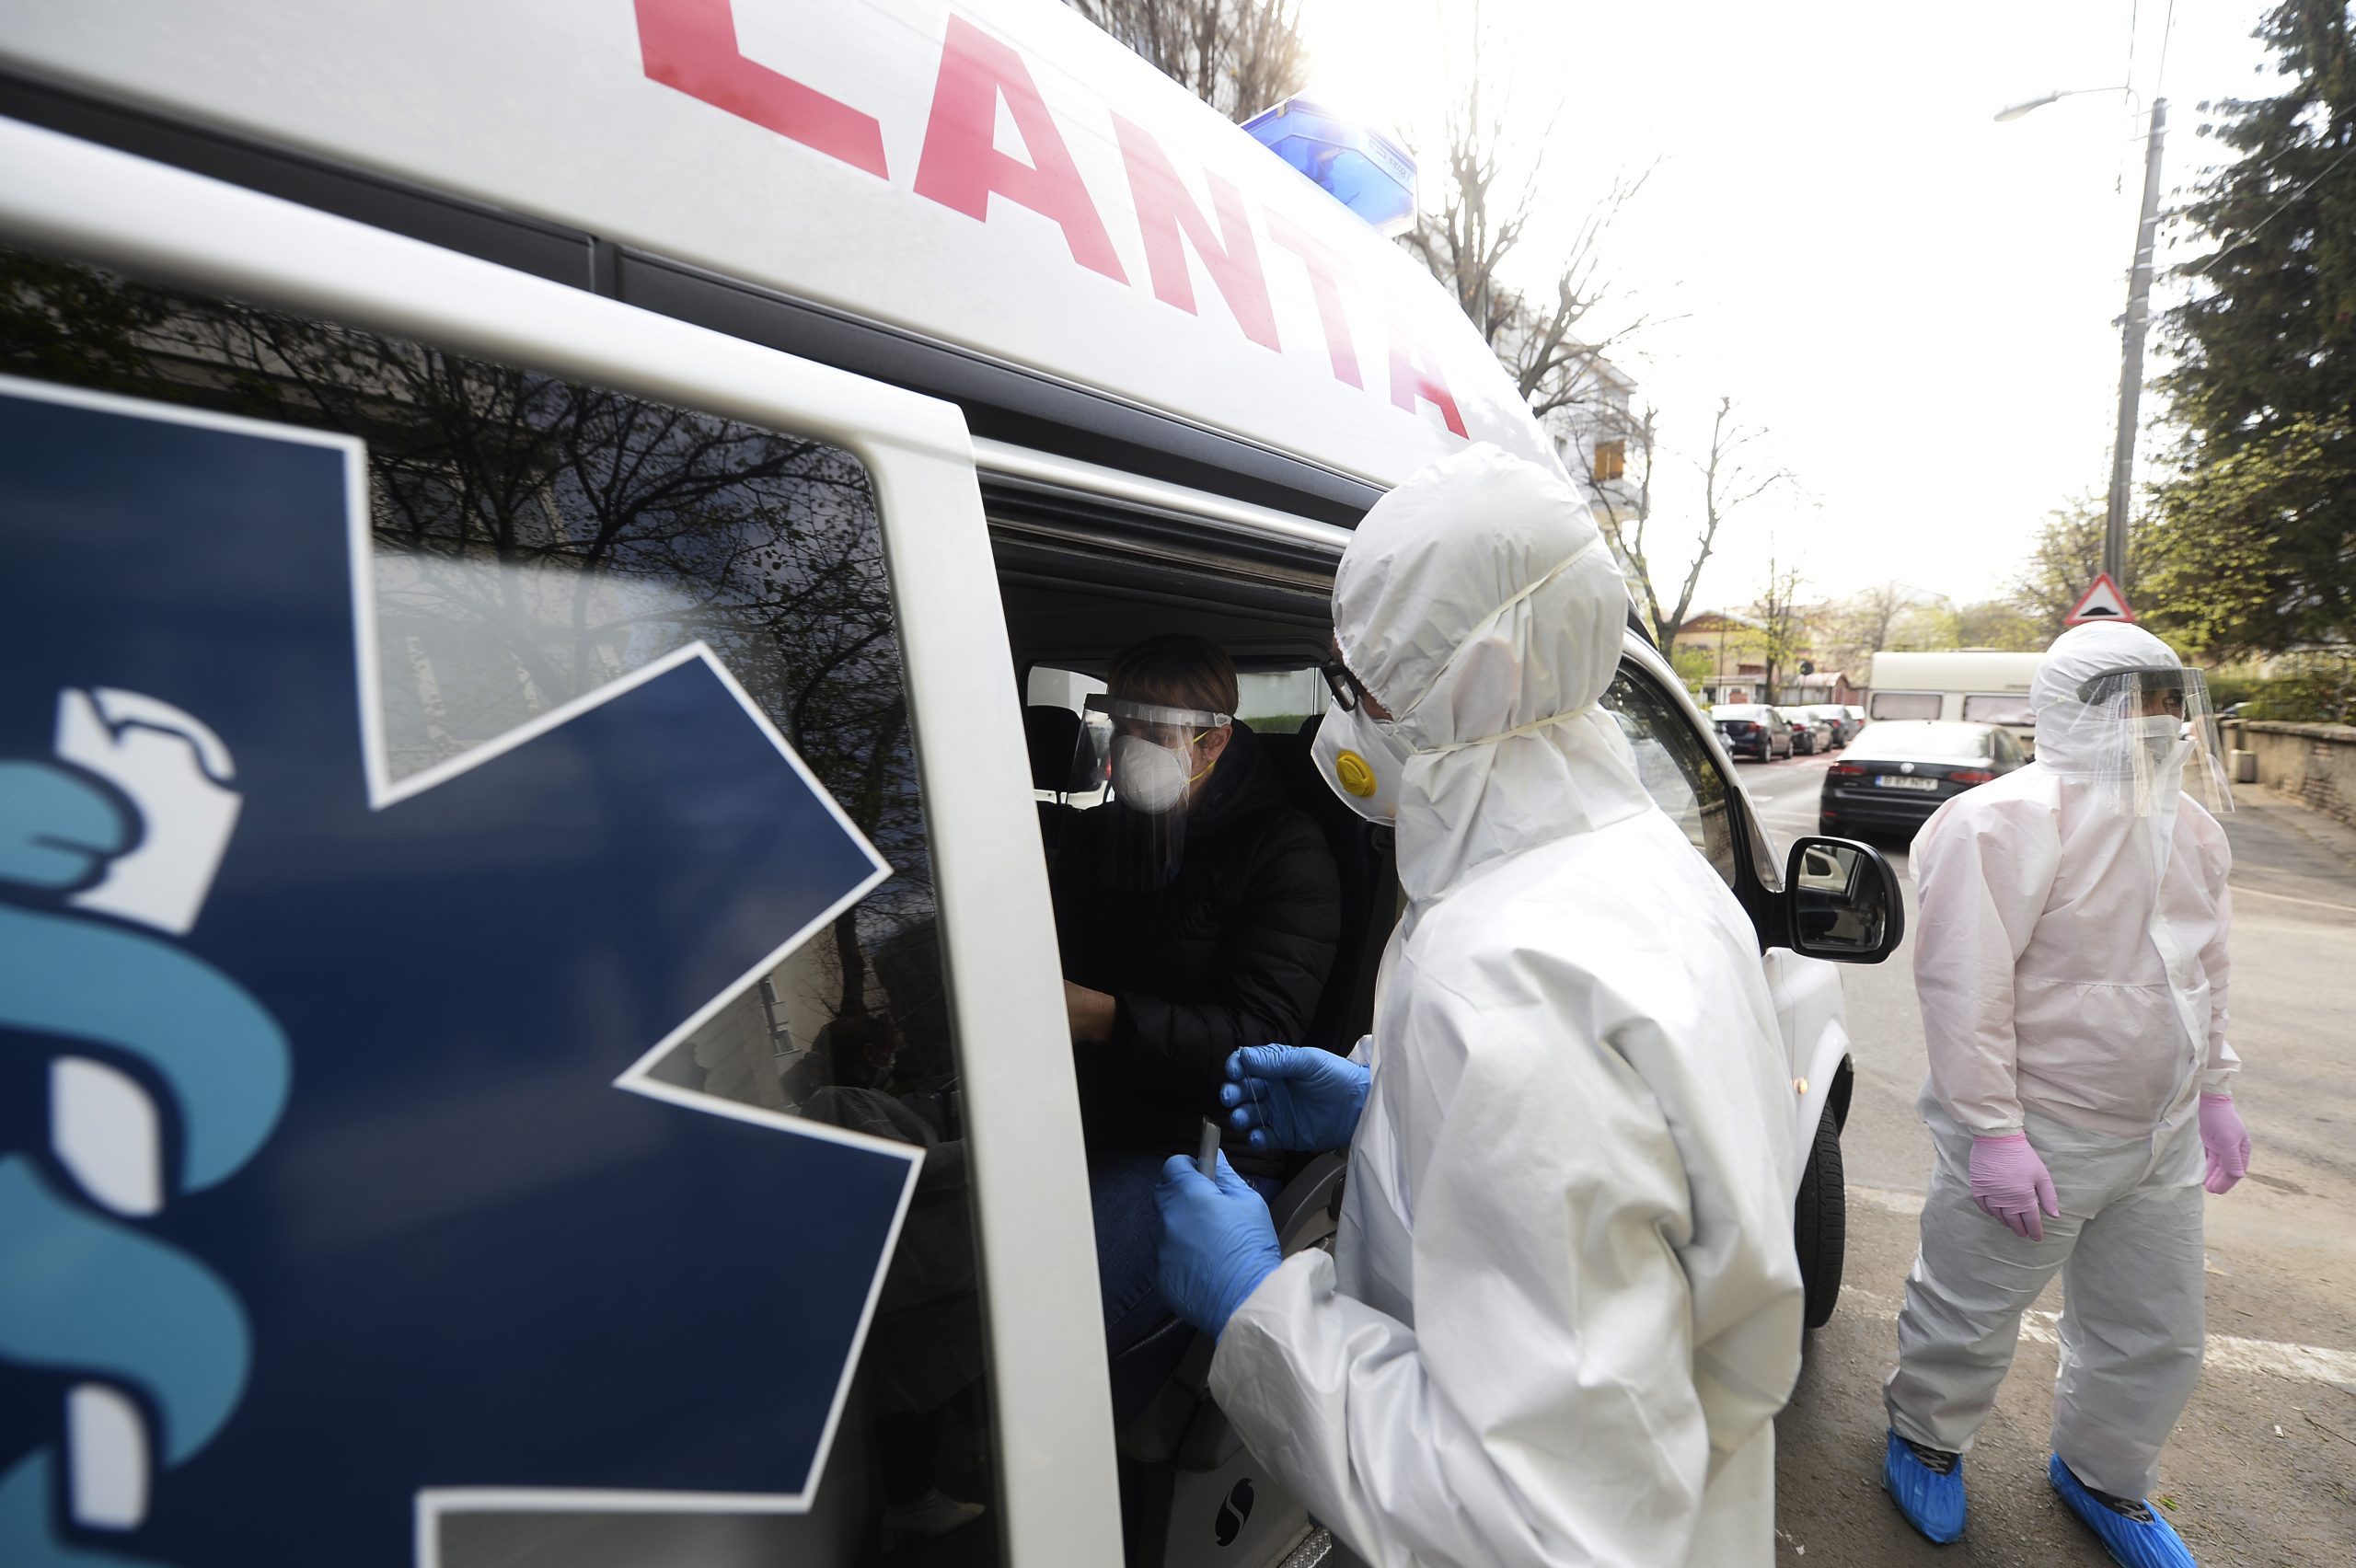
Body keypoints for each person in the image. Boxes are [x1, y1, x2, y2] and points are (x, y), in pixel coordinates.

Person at [1150, 445, 1804, 1566]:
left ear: (1488, 678)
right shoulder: (1627, 866)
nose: (1345, 723)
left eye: (1363, 688)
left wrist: (1260, 1307)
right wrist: (1387, 1109)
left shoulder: (1509, 983)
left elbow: (1539, 1527)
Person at [1881, 620, 2246, 1568]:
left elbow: (2203, 968)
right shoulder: (2000, 821)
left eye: (2170, 699)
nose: (2160, 720)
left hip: (2155, 1132)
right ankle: (1926, 1433)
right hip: (2038, 1123)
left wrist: (2213, 1086)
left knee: (2154, 1326)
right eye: (2138, 699)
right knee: (1968, 1303)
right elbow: (1965, 988)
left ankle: (2104, 1474)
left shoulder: (2190, 825)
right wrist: (1992, 1131)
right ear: (2078, 708)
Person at [1040, 635, 1339, 1384]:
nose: (1132, 747)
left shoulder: (1285, 851)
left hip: (1198, 1152)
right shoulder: (1103, 834)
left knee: (1038, 1326)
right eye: (1122, 724)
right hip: (1075, 1113)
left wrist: (1100, 1017)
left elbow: (1261, 1041)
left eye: (1158, 729)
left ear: (1214, 742)